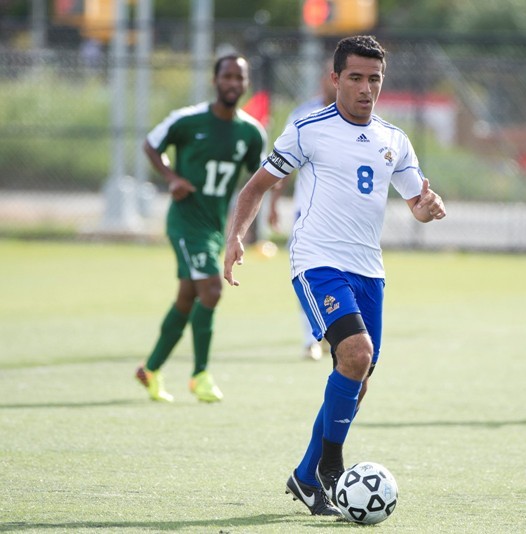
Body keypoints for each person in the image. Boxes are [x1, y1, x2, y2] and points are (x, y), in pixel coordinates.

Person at [223, 35, 446, 516]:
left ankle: (306, 476)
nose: (366, 89)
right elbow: (256, 187)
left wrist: (429, 208)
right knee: (356, 353)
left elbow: (418, 202)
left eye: (375, 79)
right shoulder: (309, 129)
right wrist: (236, 236)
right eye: (356, 78)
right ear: (335, 79)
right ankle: (331, 464)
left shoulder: (394, 141)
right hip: (317, 260)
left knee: (358, 376)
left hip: (369, 269)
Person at [135, 54, 267, 403]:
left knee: (187, 297)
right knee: (211, 289)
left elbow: (258, 180)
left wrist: (254, 223)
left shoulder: (251, 132)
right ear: (215, 80)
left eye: (239, 78)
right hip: (184, 221)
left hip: (213, 226)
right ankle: (200, 374)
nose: (233, 84)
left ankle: (150, 369)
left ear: (246, 83)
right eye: (227, 76)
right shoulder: (187, 119)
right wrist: (171, 177)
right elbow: (152, 144)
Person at [266, 59, 338, 362]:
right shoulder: (304, 115)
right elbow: (283, 165)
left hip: (344, 218)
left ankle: (336, 335)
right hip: (307, 215)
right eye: (329, 75)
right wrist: (273, 203)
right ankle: (311, 338)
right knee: (307, 276)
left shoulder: (365, 120)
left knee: (344, 278)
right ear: (327, 78)